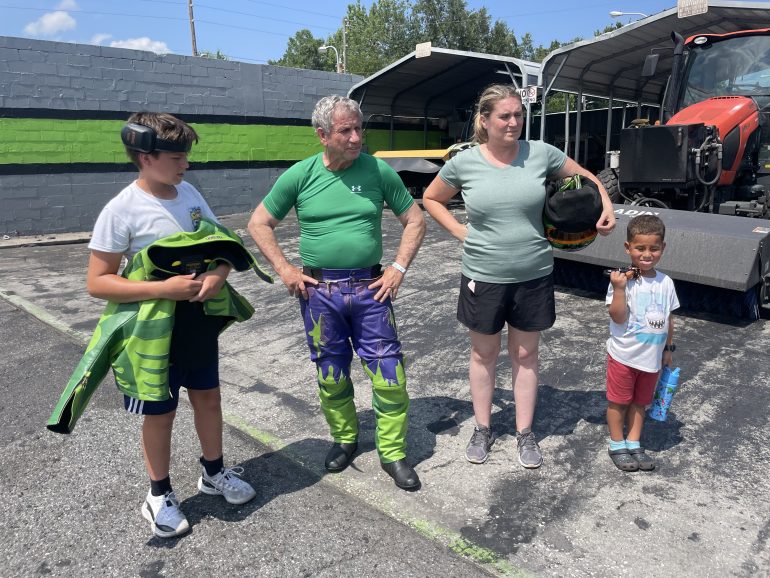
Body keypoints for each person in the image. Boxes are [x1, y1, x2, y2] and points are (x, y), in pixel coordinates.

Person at [422, 84, 616, 469]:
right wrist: (459, 230)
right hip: (483, 273)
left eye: (518, 115)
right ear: (485, 120)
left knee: (526, 354)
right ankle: (483, 428)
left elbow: (588, 177)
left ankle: (525, 432)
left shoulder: (540, 153)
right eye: (504, 116)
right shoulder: (465, 163)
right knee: (484, 353)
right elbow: (431, 198)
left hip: (534, 272)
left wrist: (606, 206)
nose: (513, 122)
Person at [86, 112, 257, 538]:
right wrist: (162, 289)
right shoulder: (121, 210)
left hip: (197, 323)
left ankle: (213, 473)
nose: (186, 164)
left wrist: (219, 273)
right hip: (152, 333)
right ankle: (158, 495)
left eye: (186, 156)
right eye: (177, 157)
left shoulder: (190, 194)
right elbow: (98, 282)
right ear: (145, 157)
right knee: (161, 414)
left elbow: (221, 243)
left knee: (209, 399)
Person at [247, 95, 426, 490]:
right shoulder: (300, 175)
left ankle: (392, 452)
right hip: (320, 295)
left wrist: (398, 268)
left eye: (359, 128)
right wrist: (286, 270)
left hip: (371, 291)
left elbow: (415, 220)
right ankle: (345, 438)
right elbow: (259, 223)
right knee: (330, 373)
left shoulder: (378, 170)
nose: (356, 137)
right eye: (346, 130)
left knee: (390, 374)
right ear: (323, 135)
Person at [605, 215, 679, 472]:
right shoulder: (623, 281)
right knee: (618, 401)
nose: (647, 254)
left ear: (663, 248)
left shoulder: (666, 282)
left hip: (652, 358)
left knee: (640, 402)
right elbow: (617, 316)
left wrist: (668, 349)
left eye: (653, 248)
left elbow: (669, 319)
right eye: (640, 248)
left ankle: (634, 441)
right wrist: (619, 289)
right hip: (624, 356)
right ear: (628, 248)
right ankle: (617, 444)